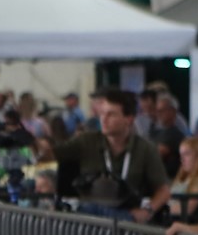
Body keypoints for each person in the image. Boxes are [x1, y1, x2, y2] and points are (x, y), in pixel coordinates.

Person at [53, 88, 171, 221]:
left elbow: (164, 190)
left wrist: (147, 211)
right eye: (102, 113)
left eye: (111, 114)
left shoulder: (145, 149)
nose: (104, 119)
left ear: (129, 119)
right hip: (89, 212)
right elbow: (53, 154)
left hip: (125, 213)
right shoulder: (86, 140)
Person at [168, 135, 198, 221]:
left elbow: (188, 209)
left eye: (187, 154)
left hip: (180, 223)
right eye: (181, 155)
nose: (182, 159)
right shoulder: (183, 177)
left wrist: (158, 209)